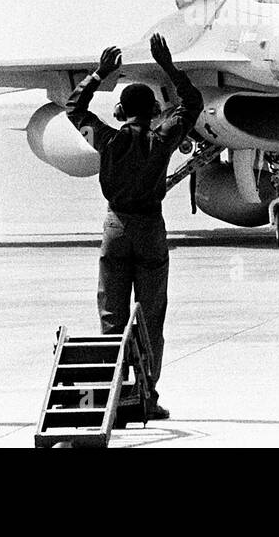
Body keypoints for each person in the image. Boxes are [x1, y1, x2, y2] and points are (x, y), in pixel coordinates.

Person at [65, 33, 202, 420]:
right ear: (154, 109)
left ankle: (114, 396)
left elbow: (75, 108)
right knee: (150, 316)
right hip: (150, 229)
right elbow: (192, 104)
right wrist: (169, 66)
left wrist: (100, 74)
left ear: (122, 111)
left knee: (112, 316)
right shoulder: (162, 139)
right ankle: (146, 396)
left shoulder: (107, 140)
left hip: (116, 226)